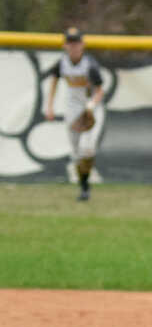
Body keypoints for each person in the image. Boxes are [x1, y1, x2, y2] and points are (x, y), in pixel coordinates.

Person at [44, 25, 105, 201]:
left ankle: (85, 187)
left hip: (90, 108)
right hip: (71, 109)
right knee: (77, 152)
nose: (73, 46)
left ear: (82, 45)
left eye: (76, 43)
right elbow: (54, 80)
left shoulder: (90, 65)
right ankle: (84, 187)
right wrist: (49, 106)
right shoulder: (62, 63)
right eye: (70, 43)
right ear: (65, 46)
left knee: (88, 149)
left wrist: (91, 105)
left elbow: (100, 90)